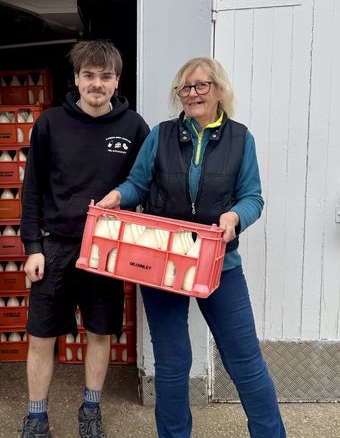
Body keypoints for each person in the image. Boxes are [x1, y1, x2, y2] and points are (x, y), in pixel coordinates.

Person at [96, 57, 286, 437]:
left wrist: (234, 218)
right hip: (163, 259)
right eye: (185, 87)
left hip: (219, 262)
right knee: (172, 361)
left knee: (245, 360)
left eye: (201, 85)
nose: (193, 93)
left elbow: (252, 197)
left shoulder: (240, 138)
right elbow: (139, 184)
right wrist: (119, 195)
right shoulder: (161, 135)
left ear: (218, 90)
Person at [20, 40, 150, 438]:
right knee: (41, 335)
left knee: (99, 331)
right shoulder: (50, 123)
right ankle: (37, 417)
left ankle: (91, 409)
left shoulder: (134, 127)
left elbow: (145, 185)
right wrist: (32, 248)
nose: (97, 84)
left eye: (105, 76)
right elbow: (32, 189)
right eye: (89, 76)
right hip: (56, 246)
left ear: (116, 81)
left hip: (108, 249)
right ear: (76, 79)